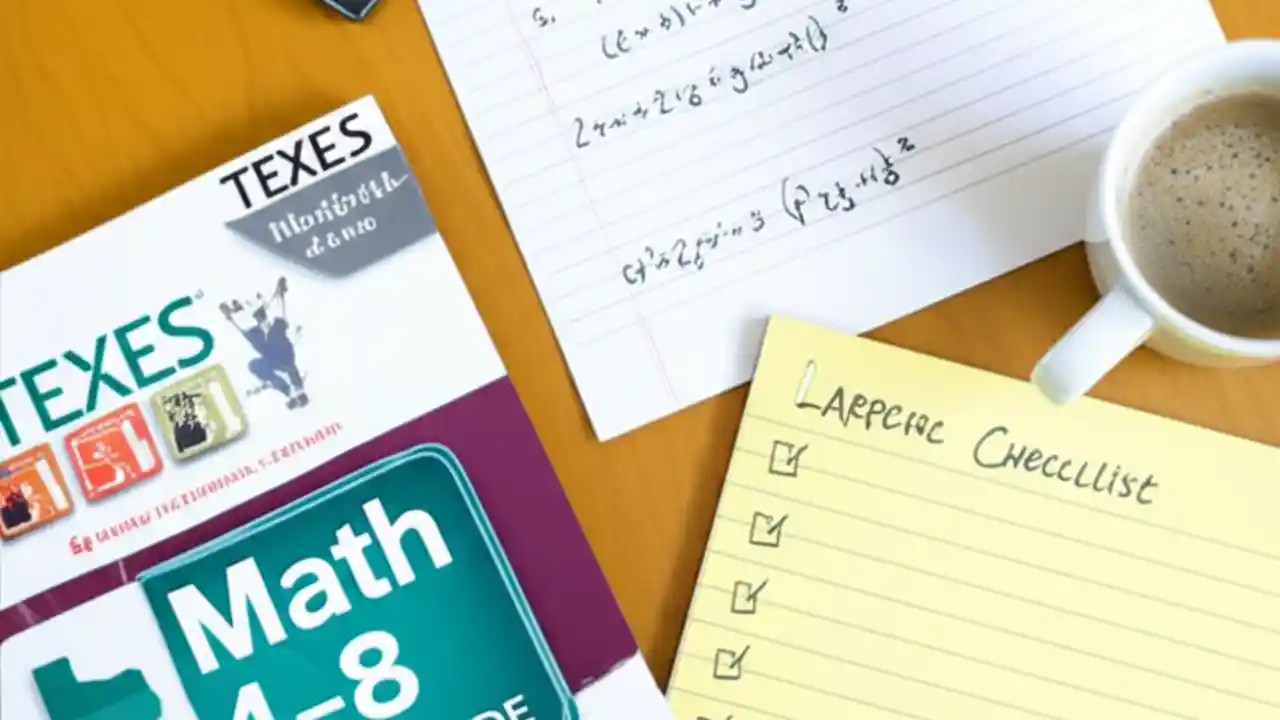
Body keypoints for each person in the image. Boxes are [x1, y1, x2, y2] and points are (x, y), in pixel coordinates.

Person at [221, 277, 309, 409]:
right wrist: (231, 318)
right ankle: (290, 391)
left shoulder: (275, 329)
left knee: (284, 357)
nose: (261, 320)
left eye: (261, 317)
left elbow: (281, 315)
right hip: (272, 356)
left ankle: (297, 391)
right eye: (258, 318)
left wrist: (280, 294)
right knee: (256, 362)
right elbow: (245, 331)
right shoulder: (259, 334)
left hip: (282, 354)